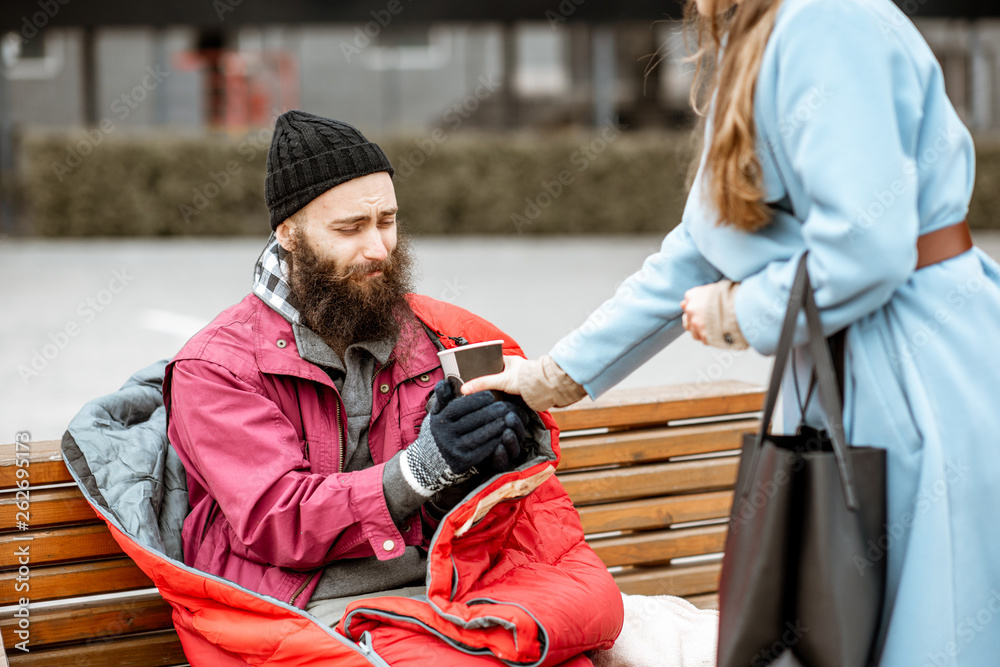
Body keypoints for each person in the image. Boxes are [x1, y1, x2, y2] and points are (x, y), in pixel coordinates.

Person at [462, 1, 1000, 665]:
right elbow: (695, 252)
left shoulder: (821, 18)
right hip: (862, 363)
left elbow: (866, 246)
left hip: (911, 365)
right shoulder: (773, 29)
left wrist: (744, 309)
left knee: (927, 628)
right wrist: (549, 376)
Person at [162, 110, 625, 664]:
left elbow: (475, 510)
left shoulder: (437, 334)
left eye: (387, 221)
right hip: (297, 606)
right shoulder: (215, 367)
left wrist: (487, 467)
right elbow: (278, 519)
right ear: (287, 232)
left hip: (444, 583)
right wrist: (425, 466)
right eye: (350, 228)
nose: (379, 247)